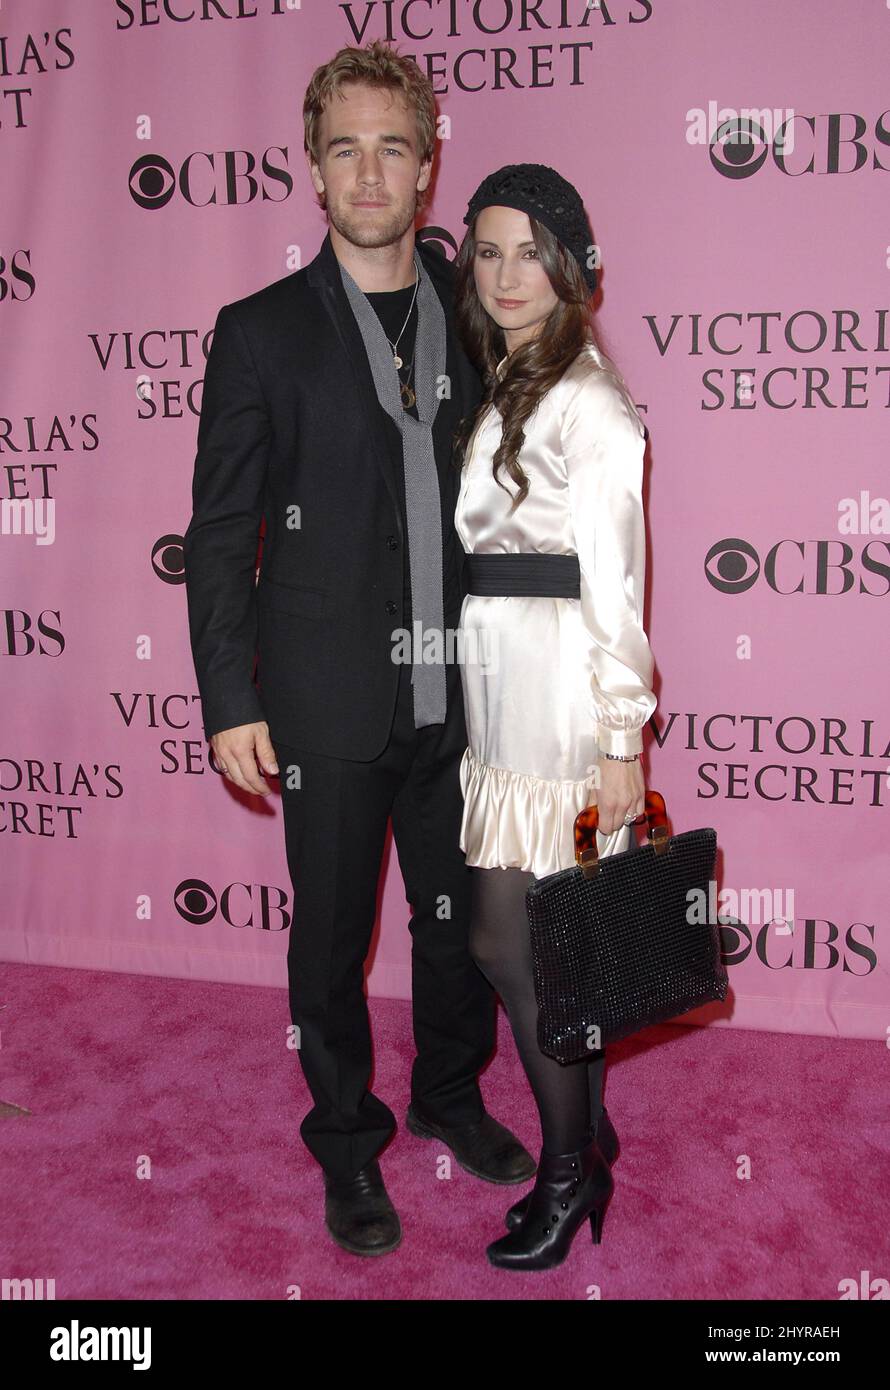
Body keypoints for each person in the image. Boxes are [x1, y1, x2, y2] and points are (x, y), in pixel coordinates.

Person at [182, 44, 534, 1261]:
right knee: (330, 939)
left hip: (464, 692)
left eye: (394, 145)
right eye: (346, 147)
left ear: (429, 167)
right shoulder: (259, 333)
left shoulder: (481, 318)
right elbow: (222, 532)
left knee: (459, 928)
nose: (370, 170)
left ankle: (449, 1089)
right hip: (328, 700)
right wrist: (231, 693)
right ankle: (346, 1138)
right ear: (314, 170)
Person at [450, 164, 658, 1270]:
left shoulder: (587, 402)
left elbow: (614, 583)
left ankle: (569, 1171)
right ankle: (587, 1130)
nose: (505, 273)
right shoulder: (515, 380)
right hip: (502, 697)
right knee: (525, 946)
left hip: (564, 705)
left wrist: (619, 736)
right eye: (485, 251)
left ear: (569, 261)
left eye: (528, 249)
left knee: (525, 949)